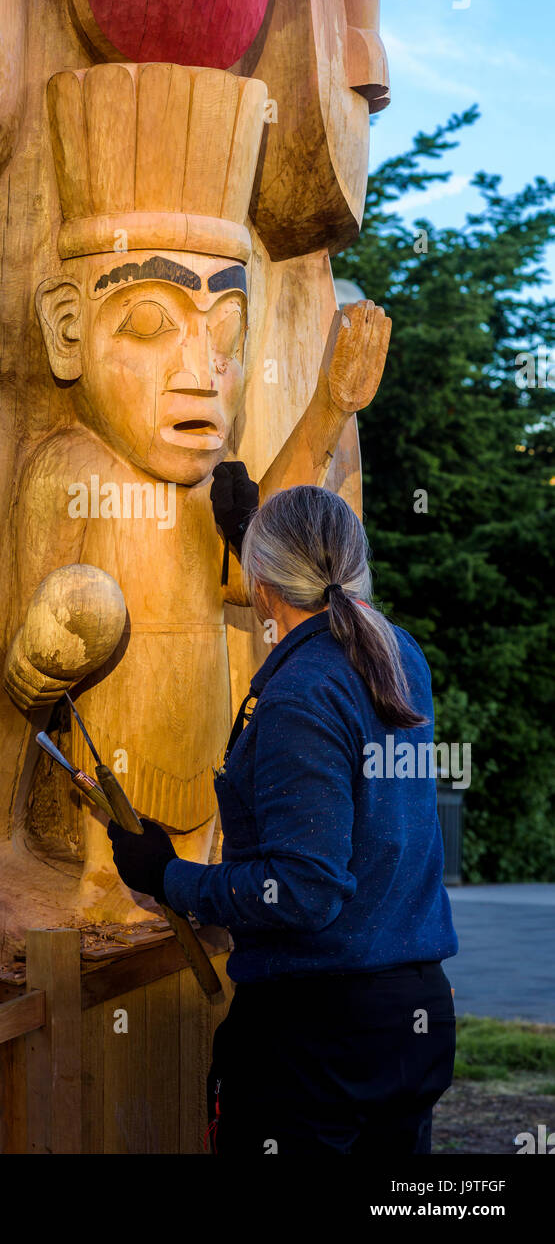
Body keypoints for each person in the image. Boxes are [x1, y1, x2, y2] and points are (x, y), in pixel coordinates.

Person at [108, 482, 459, 1155]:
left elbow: (304, 889)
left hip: (320, 1035)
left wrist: (168, 876)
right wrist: (254, 537)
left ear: (260, 579)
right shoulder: (395, 655)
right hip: (409, 1015)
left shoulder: (300, 693)